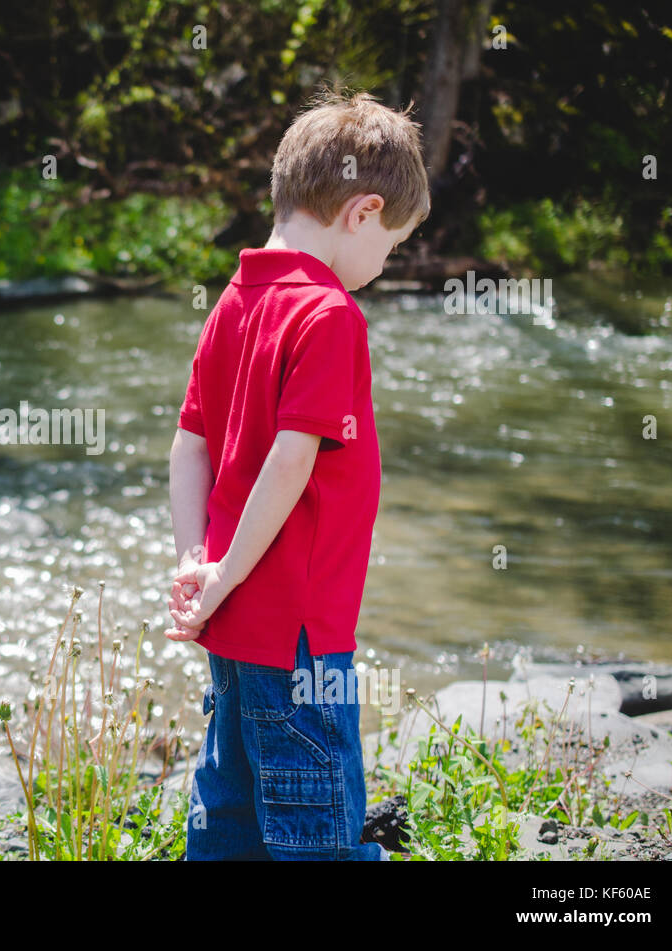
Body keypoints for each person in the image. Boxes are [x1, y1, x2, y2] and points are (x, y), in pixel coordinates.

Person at [166, 89, 430, 861]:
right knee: (321, 827)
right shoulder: (330, 315)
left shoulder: (234, 300)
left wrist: (198, 565)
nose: (381, 268)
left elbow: (188, 446)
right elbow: (290, 461)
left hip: (235, 627)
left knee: (232, 812)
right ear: (362, 210)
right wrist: (221, 579)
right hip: (305, 637)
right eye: (390, 246)